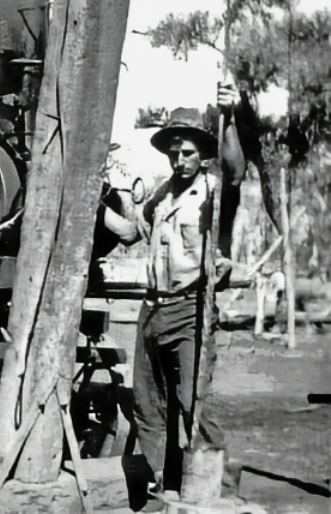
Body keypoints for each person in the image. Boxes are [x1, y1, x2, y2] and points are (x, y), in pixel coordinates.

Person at [102, 82, 247, 497]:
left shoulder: (214, 193)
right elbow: (131, 232)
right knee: (147, 401)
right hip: (153, 308)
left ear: (203, 152)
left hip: (191, 307)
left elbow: (236, 170)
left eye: (188, 153)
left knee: (192, 401)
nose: (180, 160)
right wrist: (99, 203)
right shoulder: (162, 196)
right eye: (174, 153)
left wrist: (230, 118)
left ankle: (215, 486)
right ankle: (164, 481)